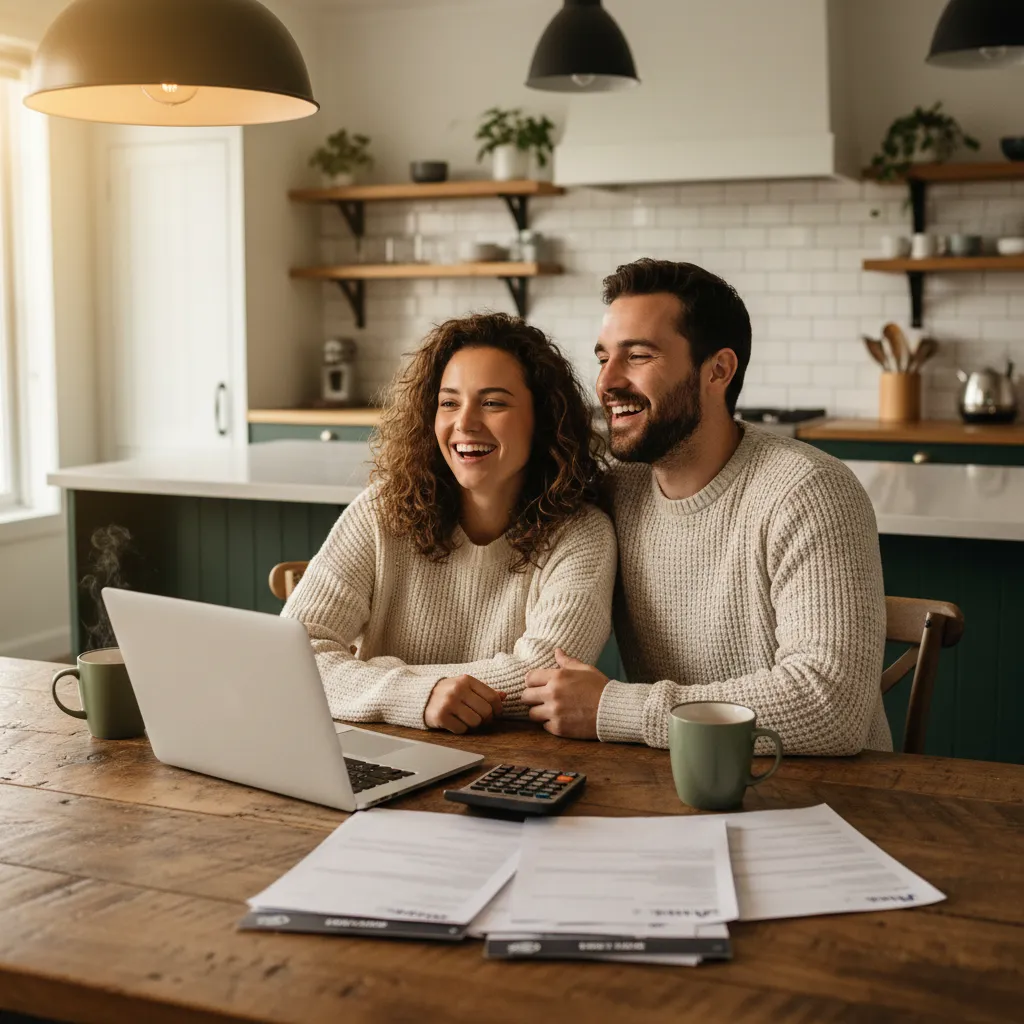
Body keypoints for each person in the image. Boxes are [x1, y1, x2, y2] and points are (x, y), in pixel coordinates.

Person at [522, 258, 891, 755]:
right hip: (674, 789)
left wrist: (616, 708)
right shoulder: (616, 491)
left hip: (819, 799)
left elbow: (829, 707)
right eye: (603, 357)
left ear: (718, 370)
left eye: (638, 356)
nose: (606, 383)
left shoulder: (809, 491)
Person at [283, 312, 616, 735]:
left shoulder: (583, 535)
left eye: (493, 402)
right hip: (383, 748)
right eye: (449, 403)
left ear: (543, 418)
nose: (465, 423)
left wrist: (374, 676)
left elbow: (543, 676)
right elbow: (296, 655)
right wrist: (418, 694)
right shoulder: (380, 512)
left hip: (514, 767)